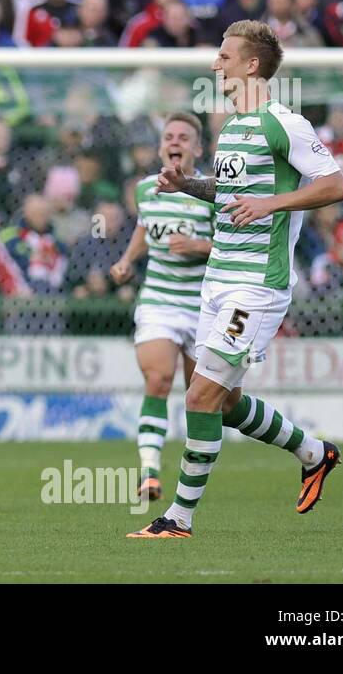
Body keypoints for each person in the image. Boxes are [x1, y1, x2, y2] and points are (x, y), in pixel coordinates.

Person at [130, 21, 343, 539]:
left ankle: (177, 520)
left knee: (199, 398)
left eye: (224, 56)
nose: (215, 65)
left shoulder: (283, 124)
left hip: (257, 285)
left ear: (251, 65)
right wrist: (190, 186)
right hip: (217, 280)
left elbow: (336, 184)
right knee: (224, 404)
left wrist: (273, 203)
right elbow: (232, 197)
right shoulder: (233, 127)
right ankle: (315, 454)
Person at [109, 112, 215, 501]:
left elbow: (231, 245)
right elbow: (143, 227)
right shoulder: (145, 190)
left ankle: (192, 483)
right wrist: (126, 260)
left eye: (184, 137)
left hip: (203, 306)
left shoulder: (210, 191)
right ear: (160, 147)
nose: (175, 142)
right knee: (157, 380)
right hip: (158, 302)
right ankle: (149, 472)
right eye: (169, 136)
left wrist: (199, 247)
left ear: (198, 148)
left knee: (199, 397)